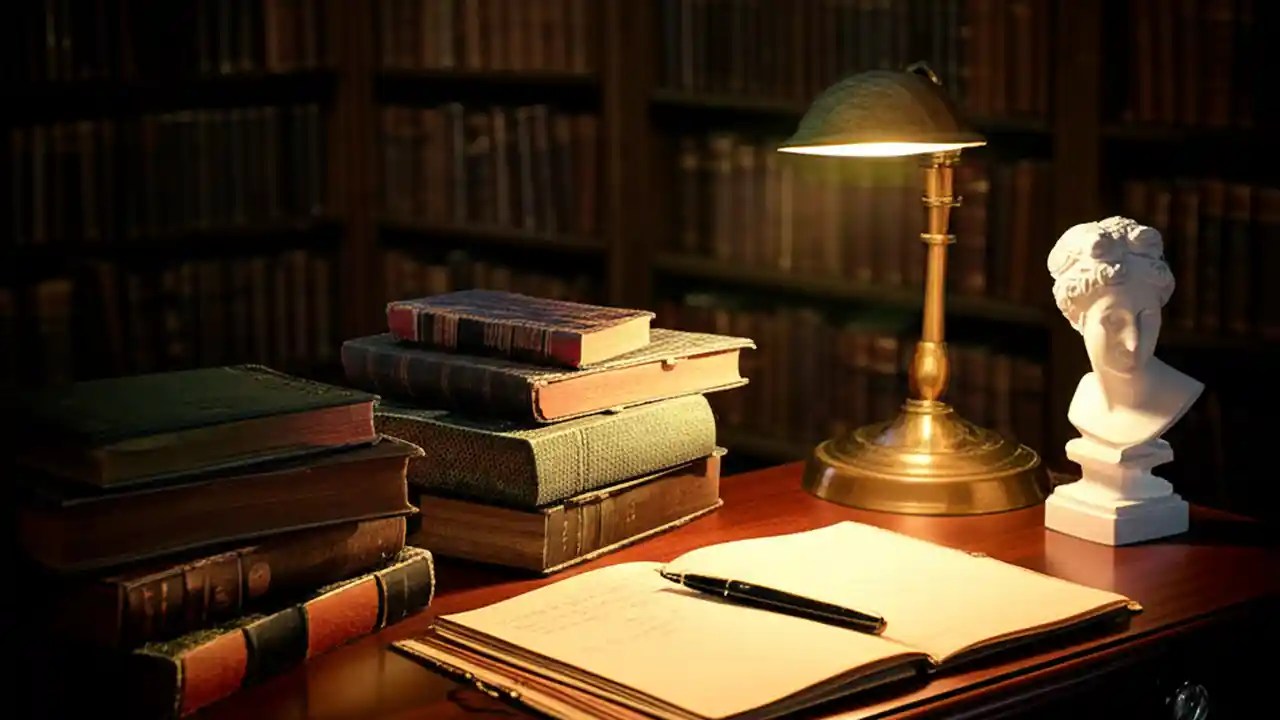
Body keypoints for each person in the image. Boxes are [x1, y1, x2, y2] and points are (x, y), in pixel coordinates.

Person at [1047, 216, 1203, 450]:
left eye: (1147, 318)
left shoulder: (1179, 393)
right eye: (1113, 321)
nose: (1133, 342)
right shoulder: (1085, 399)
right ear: (1077, 318)